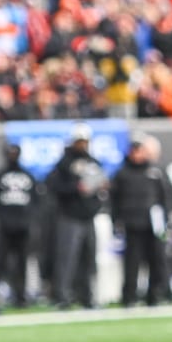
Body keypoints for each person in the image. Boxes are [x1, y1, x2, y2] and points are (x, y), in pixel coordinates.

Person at [45, 123, 107, 310]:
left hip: (88, 216)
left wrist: (97, 197)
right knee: (67, 259)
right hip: (69, 216)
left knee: (89, 259)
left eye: (85, 141)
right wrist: (75, 188)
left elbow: (99, 187)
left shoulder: (93, 162)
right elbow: (53, 186)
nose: (82, 144)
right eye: (79, 141)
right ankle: (62, 296)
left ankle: (87, 296)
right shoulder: (64, 163)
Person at [110, 133, 172, 307]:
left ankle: (154, 295)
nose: (137, 154)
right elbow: (114, 200)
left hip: (154, 225)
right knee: (132, 263)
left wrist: (168, 219)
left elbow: (167, 196)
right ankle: (129, 296)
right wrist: (116, 222)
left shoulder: (156, 171)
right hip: (132, 224)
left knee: (156, 260)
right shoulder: (122, 173)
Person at [0, 143, 40, 309]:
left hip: (23, 227)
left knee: (22, 263)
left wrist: (29, 220)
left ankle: (20, 297)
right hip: (4, 227)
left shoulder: (28, 176)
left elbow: (36, 201)